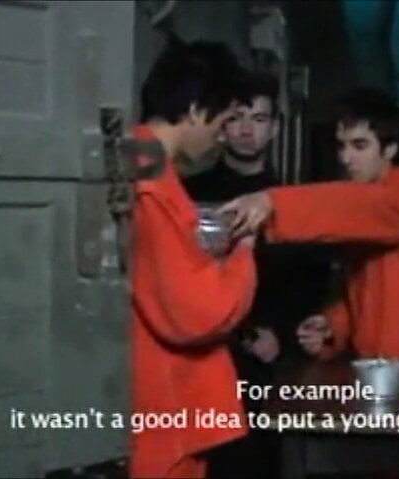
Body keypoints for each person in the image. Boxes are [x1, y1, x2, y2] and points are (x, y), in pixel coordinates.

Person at [218, 87, 399, 367]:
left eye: (359, 146)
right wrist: (333, 327)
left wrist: (272, 203)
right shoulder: (364, 215)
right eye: (341, 146)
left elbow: (358, 203)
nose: (346, 158)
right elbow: (368, 291)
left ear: (390, 149)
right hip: (382, 369)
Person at [182, 71, 332, 478]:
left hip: (270, 362)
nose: (247, 130)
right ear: (221, 124)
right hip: (203, 352)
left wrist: (282, 335)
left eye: (259, 119)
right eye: (237, 118)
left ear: (276, 127)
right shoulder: (190, 194)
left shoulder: (294, 202)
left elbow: (314, 286)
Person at [129, 40, 257, 479]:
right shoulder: (150, 183)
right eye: (222, 123)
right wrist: (243, 250)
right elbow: (197, 312)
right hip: (163, 404)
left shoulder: (141, 160)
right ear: (196, 111)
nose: (223, 137)